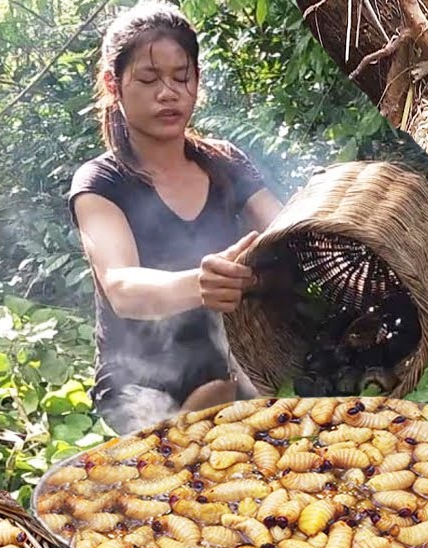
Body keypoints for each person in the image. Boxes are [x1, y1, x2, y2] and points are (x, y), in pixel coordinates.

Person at [68, 0, 284, 435]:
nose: (168, 93)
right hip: (140, 383)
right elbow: (123, 287)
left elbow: (286, 230)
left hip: (236, 361)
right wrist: (200, 285)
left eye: (181, 77)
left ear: (197, 80)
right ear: (114, 84)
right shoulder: (100, 182)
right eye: (148, 79)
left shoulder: (225, 163)